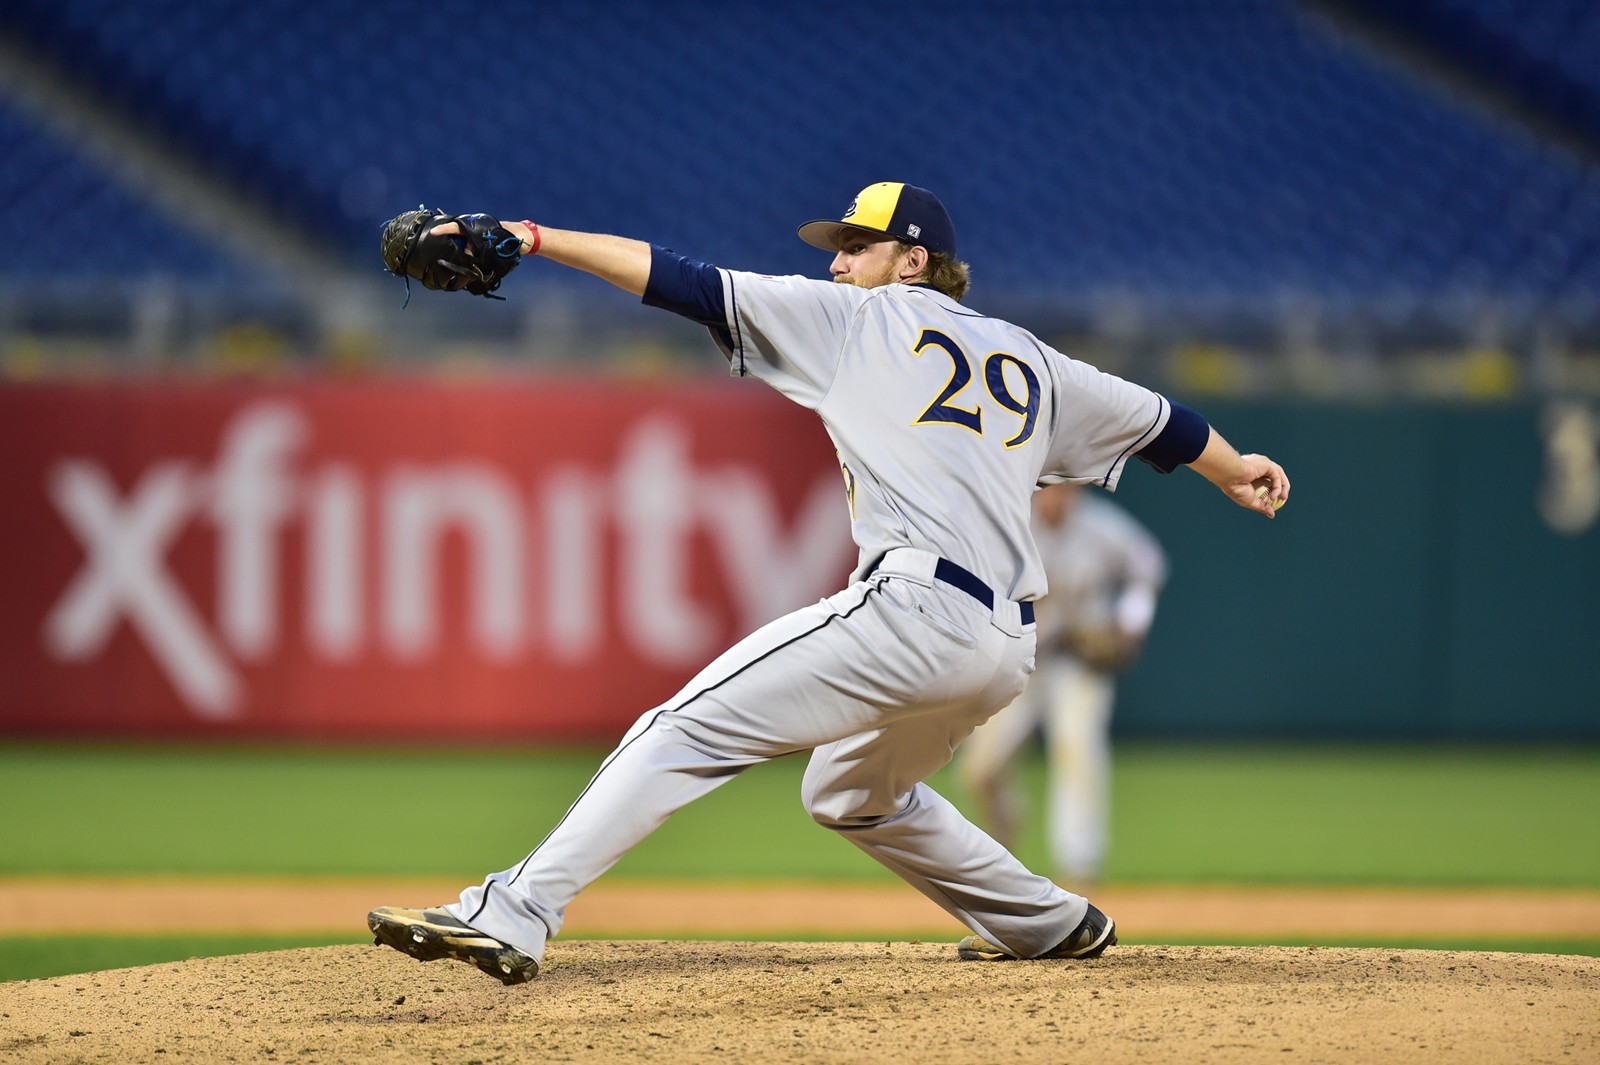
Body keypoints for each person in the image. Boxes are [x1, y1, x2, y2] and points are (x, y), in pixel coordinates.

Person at [368, 181, 1290, 983]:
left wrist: (531, 238)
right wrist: (1238, 467)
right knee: (849, 793)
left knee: (683, 726)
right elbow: (1165, 421)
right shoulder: (1032, 360)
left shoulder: (858, 317)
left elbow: (677, 279)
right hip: (1007, 646)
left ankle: (513, 911)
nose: (838, 262)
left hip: (916, 611)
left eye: (858, 245)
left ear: (913, 260)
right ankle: (1047, 921)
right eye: (837, 248)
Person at [959, 482, 1167, 886]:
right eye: (1050, 487)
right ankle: (1001, 843)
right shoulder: (1012, 529)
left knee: (1077, 748)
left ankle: (1079, 866)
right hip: (1020, 661)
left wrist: (1131, 621)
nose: (1058, 496)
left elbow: (1149, 565)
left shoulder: (1103, 528)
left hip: (1079, 660)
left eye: (1067, 488)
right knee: (981, 768)